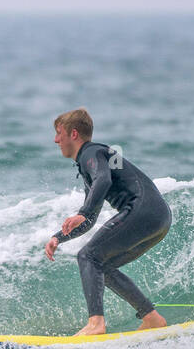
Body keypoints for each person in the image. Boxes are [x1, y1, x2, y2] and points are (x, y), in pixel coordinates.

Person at [44, 108, 171, 336]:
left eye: (59, 133)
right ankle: (152, 318)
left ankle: (96, 324)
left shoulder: (90, 153)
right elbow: (90, 218)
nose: (55, 140)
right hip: (158, 216)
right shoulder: (95, 159)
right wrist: (59, 237)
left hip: (143, 210)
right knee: (101, 265)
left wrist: (83, 211)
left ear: (74, 134)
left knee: (87, 256)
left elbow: (103, 180)